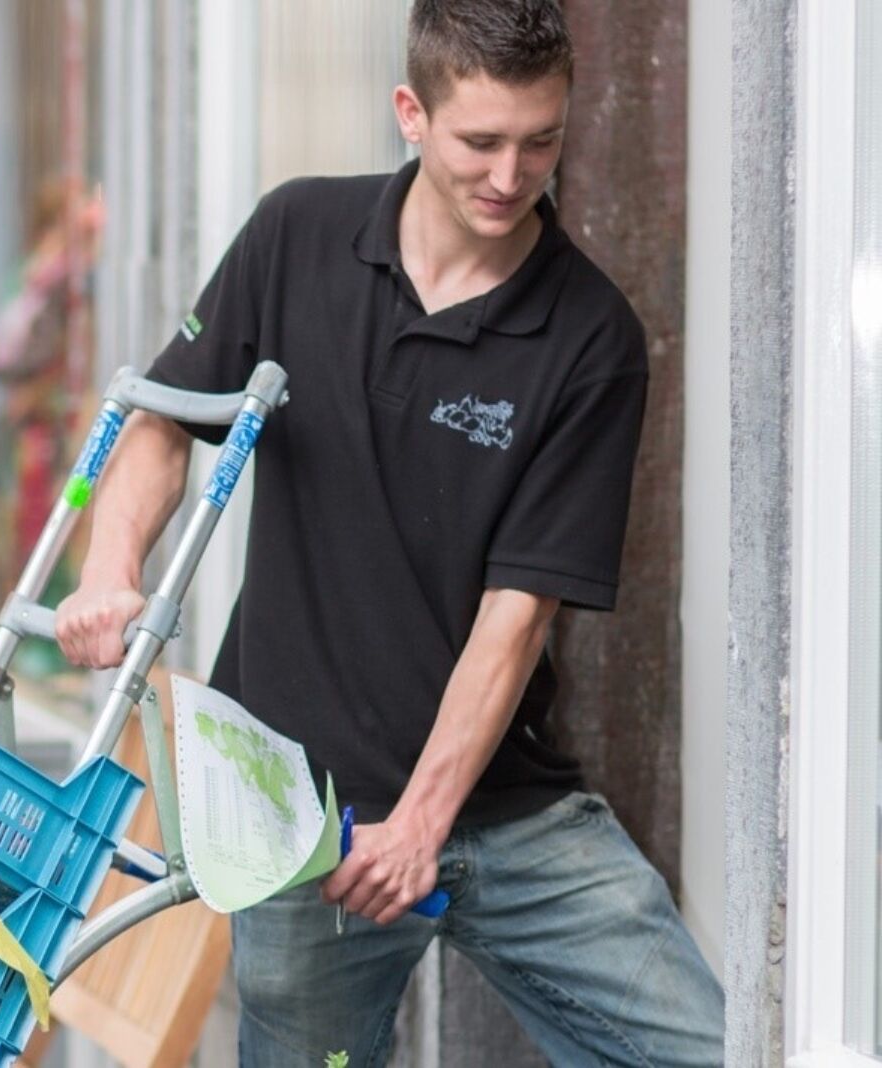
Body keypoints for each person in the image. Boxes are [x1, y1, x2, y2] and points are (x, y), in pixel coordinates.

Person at [54, 2, 725, 1064]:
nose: (512, 176)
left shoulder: (590, 337)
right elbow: (167, 417)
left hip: (501, 809)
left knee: (712, 1049)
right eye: (481, 142)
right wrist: (108, 566)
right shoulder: (294, 236)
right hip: (299, 817)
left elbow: (515, 619)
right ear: (411, 113)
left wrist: (421, 822)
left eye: (541, 141)